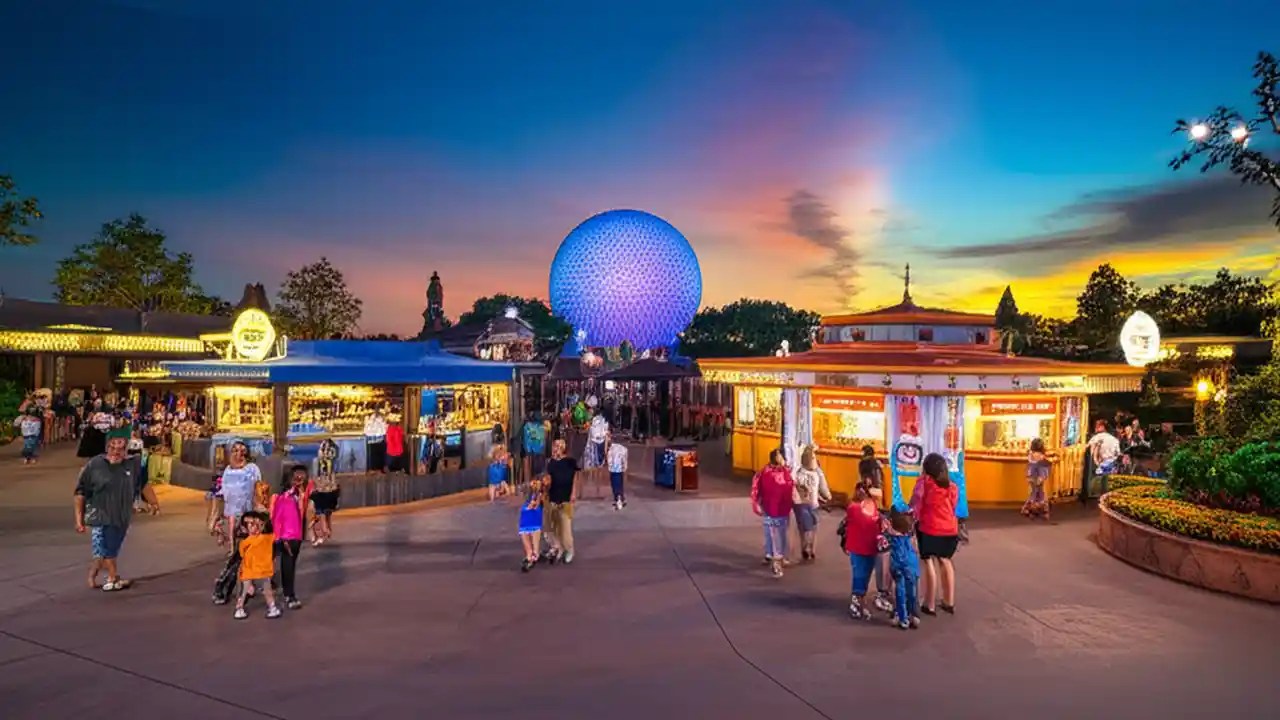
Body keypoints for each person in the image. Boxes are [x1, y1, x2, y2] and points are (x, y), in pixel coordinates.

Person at [74, 428, 160, 592]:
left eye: (120, 448)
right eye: (112, 447)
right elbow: (80, 493)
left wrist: (154, 503)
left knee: (107, 550)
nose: (116, 452)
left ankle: (93, 576)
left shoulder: (133, 464)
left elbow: (143, 484)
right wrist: (79, 520)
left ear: (126, 449)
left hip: (121, 517)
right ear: (107, 447)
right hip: (99, 515)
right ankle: (113, 578)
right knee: (106, 547)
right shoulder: (95, 465)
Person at [913, 453, 959, 616]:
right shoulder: (952, 487)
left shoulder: (924, 483)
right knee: (945, 561)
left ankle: (929, 603)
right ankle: (949, 601)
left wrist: (911, 520)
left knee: (928, 562)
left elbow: (916, 504)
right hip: (950, 530)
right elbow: (953, 506)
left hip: (929, 528)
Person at [271, 465, 311, 610]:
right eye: (296, 475)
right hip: (286, 536)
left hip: (297, 536)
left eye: (302, 474)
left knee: (290, 564)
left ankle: (286, 591)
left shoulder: (304, 494)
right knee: (285, 564)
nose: (299, 478)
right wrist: (278, 536)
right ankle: (289, 594)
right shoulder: (283, 496)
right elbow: (277, 517)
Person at [858, 446, 892, 613]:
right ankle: (883, 591)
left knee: (876, 554)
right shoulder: (876, 466)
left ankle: (874, 592)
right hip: (878, 510)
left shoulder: (868, 467)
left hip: (874, 511)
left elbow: (876, 490)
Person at [751, 449, 795, 578]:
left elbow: (757, 489)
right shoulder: (776, 473)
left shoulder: (768, 472)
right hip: (775, 510)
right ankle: (777, 560)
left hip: (775, 510)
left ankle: (774, 556)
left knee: (774, 534)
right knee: (777, 535)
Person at [843, 484, 883, 619]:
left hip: (871, 548)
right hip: (858, 549)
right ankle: (856, 601)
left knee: (865, 575)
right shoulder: (853, 508)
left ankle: (861, 599)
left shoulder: (874, 507)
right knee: (859, 575)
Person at [234, 512, 281, 620]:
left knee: (246, 590)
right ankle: (272, 607)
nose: (251, 526)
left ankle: (240, 608)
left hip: (253, 570)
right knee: (261, 590)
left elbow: (242, 553)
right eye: (248, 524)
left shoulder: (248, 541)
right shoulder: (267, 538)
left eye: (253, 524)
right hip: (258, 569)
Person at [219, 441, 263, 549]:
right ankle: (232, 548)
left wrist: (258, 503)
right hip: (232, 506)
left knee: (248, 530)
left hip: (247, 505)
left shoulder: (252, 468)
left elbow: (258, 486)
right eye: (236, 450)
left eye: (242, 451)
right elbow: (224, 487)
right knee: (232, 527)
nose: (239, 453)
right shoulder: (228, 469)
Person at [543, 439, 579, 564]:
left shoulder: (570, 462)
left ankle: (569, 549)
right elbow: (548, 479)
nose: (556, 449)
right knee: (551, 527)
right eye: (554, 446)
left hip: (566, 498)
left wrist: (574, 492)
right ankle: (558, 547)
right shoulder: (551, 463)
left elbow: (575, 477)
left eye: (558, 446)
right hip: (552, 497)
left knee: (565, 527)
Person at [792, 445, 831, 561]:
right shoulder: (817, 473)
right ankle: (811, 548)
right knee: (813, 527)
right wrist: (827, 495)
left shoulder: (798, 472)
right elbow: (823, 487)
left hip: (799, 503)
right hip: (813, 504)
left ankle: (804, 546)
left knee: (802, 528)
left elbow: (793, 482)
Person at [885, 503, 921, 630]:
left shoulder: (891, 534)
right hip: (911, 565)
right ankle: (914, 615)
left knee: (899, 590)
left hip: (898, 565)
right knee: (912, 590)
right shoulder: (910, 534)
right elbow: (916, 548)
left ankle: (902, 618)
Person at [311, 441, 341, 546]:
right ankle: (325, 531)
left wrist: (332, 486)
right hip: (324, 491)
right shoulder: (321, 462)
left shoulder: (328, 462)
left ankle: (325, 531)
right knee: (323, 513)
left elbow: (332, 476)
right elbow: (316, 477)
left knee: (325, 513)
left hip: (326, 491)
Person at [1085, 419, 1121, 501]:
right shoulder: (1114, 439)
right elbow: (1118, 453)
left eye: (1097, 426)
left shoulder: (1096, 438)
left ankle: (1097, 495)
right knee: (1106, 480)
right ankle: (1105, 495)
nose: (1095, 428)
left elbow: (1087, 447)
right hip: (1111, 462)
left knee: (1098, 479)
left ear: (1102, 427)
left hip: (1098, 463)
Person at [518, 476, 546, 572]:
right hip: (526, 516)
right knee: (524, 533)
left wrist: (535, 501)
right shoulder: (527, 492)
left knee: (534, 535)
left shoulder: (540, 493)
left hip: (533, 516)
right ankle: (529, 554)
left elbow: (536, 503)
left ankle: (534, 553)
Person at [582, 410, 609, 499]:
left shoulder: (594, 424)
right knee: (598, 469)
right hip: (596, 447)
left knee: (593, 470)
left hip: (593, 448)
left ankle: (594, 490)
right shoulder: (602, 424)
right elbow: (605, 438)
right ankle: (597, 490)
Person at [1023, 438, 1051, 520]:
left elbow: (1030, 468)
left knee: (1033, 493)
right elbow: (1043, 468)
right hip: (1038, 477)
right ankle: (1044, 511)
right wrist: (1042, 477)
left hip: (1032, 477)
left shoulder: (1030, 455)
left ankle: (1030, 510)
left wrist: (1029, 477)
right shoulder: (1041, 456)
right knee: (1041, 494)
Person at [521, 412, 547, 490]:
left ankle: (534, 486)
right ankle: (539, 486)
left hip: (532, 452)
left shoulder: (527, 427)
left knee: (533, 471)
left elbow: (527, 440)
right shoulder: (542, 427)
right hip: (540, 451)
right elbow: (543, 440)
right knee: (539, 471)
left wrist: (527, 450)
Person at [606, 434, 629, 510]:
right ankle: (621, 497)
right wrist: (624, 468)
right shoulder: (624, 449)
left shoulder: (611, 449)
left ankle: (617, 498)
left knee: (614, 484)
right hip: (620, 470)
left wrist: (609, 467)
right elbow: (624, 460)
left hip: (613, 470)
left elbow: (609, 459)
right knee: (620, 484)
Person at [364, 408, 388, 474]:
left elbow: (366, 430)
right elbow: (384, 428)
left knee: (373, 455)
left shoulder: (370, 419)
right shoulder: (381, 418)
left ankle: (373, 468)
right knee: (379, 455)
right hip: (379, 438)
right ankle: (379, 468)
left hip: (372, 439)